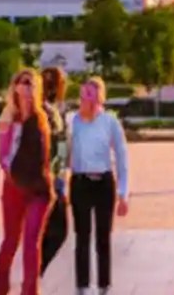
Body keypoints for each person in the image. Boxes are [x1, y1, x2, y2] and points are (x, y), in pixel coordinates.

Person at [67, 76, 130, 295]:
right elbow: (64, 154)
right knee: (82, 236)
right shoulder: (72, 122)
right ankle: (82, 285)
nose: (87, 101)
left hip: (103, 182)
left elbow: (122, 157)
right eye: (83, 96)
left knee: (103, 236)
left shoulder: (110, 122)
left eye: (91, 96)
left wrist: (123, 193)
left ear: (100, 98)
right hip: (80, 182)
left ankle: (104, 284)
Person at [0, 68, 53, 295]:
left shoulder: (42, 119)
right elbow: (2, 156)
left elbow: (47, 155)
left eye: (31, 83)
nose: (27, 87)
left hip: (38, 187)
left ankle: (30, 291)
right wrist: (11, 173)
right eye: (23, 82)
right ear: (15, 87)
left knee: (31, 243)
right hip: (14, 185)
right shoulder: (9, 119)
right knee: (11, 240)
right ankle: (0, 288)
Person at [38, 66, 70, 275]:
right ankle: (34, 275)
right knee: (54, 231)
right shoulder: (44, 111)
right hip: (47, 177)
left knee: (53, 231)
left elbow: (62, 146)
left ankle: (34, 275)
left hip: (56, 176)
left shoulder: (56, 109)